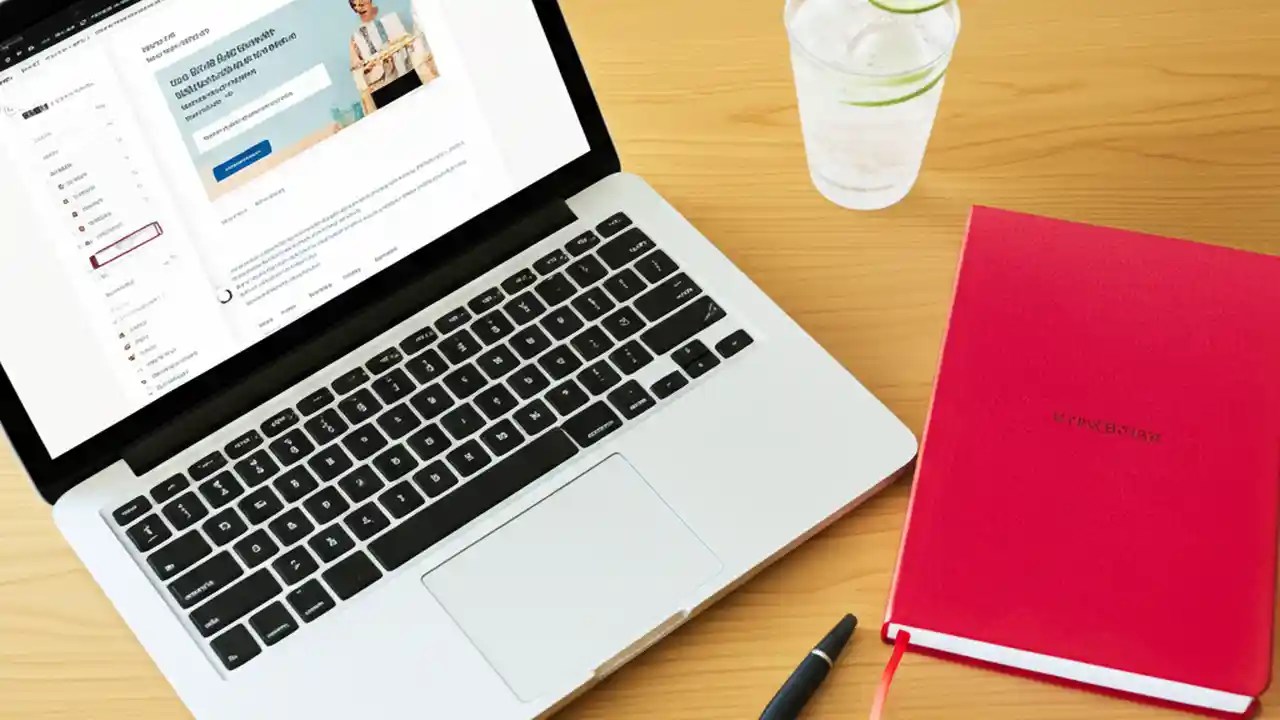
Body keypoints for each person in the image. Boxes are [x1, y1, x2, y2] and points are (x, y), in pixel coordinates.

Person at [347, 0, 435, 113]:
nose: (358, 8)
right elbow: (356, 66)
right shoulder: (355, 35)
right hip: (381, 87)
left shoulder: (390, 16)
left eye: (361, 3)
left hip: (406, 75)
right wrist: (363, 67)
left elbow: (411, 42)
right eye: (355, 6)